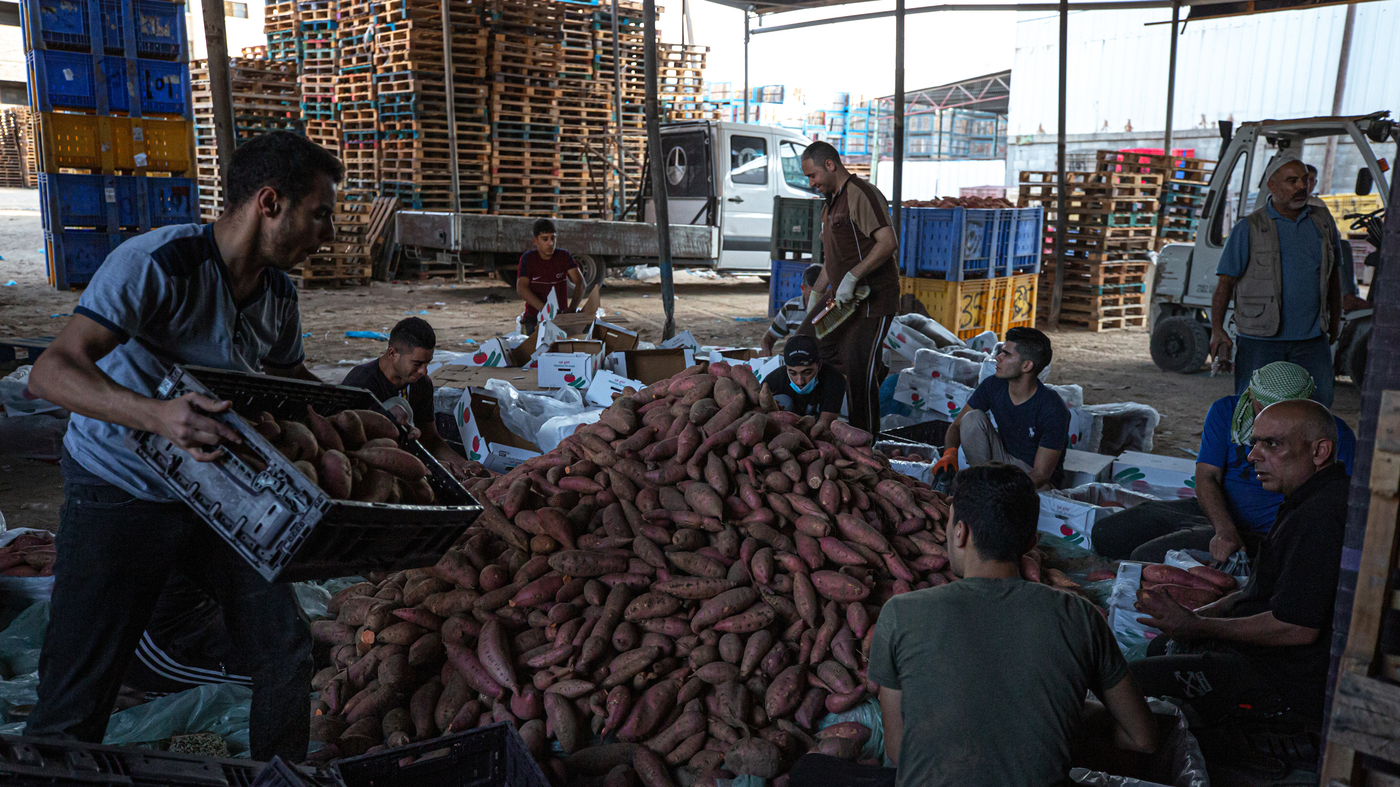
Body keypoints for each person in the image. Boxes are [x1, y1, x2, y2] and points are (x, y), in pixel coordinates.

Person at [24, 131, 341, 762]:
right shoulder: (158, 264)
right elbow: (52, 371)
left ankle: (277, 775)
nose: (326, 234)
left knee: (284, 647)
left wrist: (360, 415)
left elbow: (287, 379)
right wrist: (157, 417)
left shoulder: (278, 294)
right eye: (320, 214)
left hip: (220, 494)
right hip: (119, 485)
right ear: (270, 203)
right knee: (81, 687)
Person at [865, 464, 1158, 787]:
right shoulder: (1081, 616)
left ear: (960, 533)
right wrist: (1053, 723)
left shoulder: (899, 614)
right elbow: (1143, 739)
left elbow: (897, 749)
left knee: (816, 771)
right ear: (1031, 541)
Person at [1131, 399, 1349, 726]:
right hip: (1269, 657)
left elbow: (1297, 629)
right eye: (1254, 443)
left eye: (1271, 444)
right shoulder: (1306, 498)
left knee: (1128, 684)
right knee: (1162, 648)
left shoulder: (1320, 517)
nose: (1252, 456)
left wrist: (1200, 626)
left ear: (1319, 452)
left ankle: (1275, 736)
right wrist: (1198, 616)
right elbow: (1261, 589)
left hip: (1284, 682)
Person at [1090, 362, 1355, 563]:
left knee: (1144, 557)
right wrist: (1224, 528)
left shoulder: (1331, 434)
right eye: (1261, 408)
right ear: (1250, 395)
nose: (1253, 455)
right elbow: (1206, 476)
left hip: (1269, 533)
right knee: (1106, 533)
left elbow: (1335, 506)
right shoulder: (1226, 411)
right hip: (1216, 512)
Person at [1210, 156, 1345, 406]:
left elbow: (1334, 276)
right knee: (1255, 409)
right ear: (1272, 186)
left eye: (1305, 180)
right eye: (1292, 181)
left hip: (1312, 340)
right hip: (1260, 341)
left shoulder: (1322, 223)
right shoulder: (1248, 228)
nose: (1301, 187)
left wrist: (1335, 320)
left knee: (1317, 406)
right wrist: (1217, 330)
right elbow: (1225, 283)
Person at [799, 141, 899, 433]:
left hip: (873, 300)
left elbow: (888, 242)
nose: (811, 183)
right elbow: (832, 259)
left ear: (830, 165)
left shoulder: (861, 194)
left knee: (859, 377)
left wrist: (854, 275)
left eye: (813, 175)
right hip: (841, 299)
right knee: (805, 343)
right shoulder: (829, 205)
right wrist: (817, 292)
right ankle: (862, 370)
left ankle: (866, 442)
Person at [934, 328, 1069, 489]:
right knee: (971, 419)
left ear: (1027, 366)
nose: (998, 358)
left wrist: (1001, 491)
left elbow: (1040, 475)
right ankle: (982, 483)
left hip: (1034, 478)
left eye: (1006, 354)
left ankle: (986, 488)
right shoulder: (993, 385)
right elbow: (956, 425)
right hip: (1003, 461)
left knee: (1041, 490)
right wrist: (950, 453)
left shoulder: (1053, 408)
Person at [342, 317, 474, 477]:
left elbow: (430, 439)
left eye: (428, 363)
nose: (424, 371)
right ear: (392, 353)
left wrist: (463, 463)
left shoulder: (422, 384)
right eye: (417, 364)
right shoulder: (361, 383)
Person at [1305, 163, 1369, 312]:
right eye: (1306, 179)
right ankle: (1346, 297)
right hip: (1304, 245)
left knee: (1342, 245)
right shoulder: (1292, 204)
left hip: (1318, 242)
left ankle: (1348, 294)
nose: (1308, 183)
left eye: (1312, 180)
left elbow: (1331, 228)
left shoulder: (1316, 203)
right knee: (1337, 246)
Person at [516, 218, 584, 335]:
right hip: (534, 318)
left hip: (561, 318)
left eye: (553, 238)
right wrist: (545, 310)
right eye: (545, 239)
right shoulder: (528, 258)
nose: (550, 243)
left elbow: (581, 283)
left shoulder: (563, 256)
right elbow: (521, 289)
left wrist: (571, 310)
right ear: (535, 241)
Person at [765, 334, 845, 432]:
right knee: (784, 401)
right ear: (786, 368)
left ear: (819, 365)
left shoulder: (834, 379)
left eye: (807, 372)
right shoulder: (773, 381)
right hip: (782, 432)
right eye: (792, 373)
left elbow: (825, 424)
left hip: (814, 434)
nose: (800, 381)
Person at [760, 264, 820, 357]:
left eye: (821, 293)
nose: (817, 298)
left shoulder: (830, 307)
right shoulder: (791, 307)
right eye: (812, 293)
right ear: (803, 289)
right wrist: (766, 350)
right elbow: (770, 336)